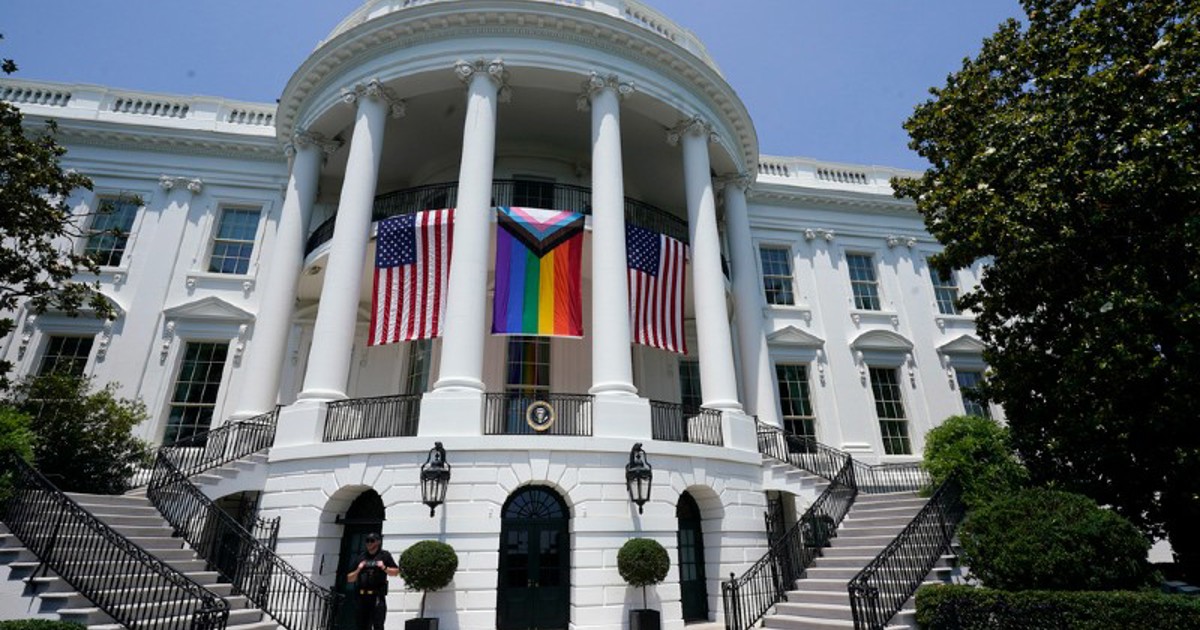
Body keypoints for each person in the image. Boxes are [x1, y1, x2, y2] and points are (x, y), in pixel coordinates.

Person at [346, 532, 399, 630]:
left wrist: (383, 567)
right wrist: (359, 569)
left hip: (377, 597)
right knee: (362, 625)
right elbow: (350, 578)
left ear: (378, 542)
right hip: (361, 597)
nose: (369, 543)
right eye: (367, 541)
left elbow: (395, 572)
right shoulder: (361, 557)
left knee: (378, 625)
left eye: (372, 541)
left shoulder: (384, 555)